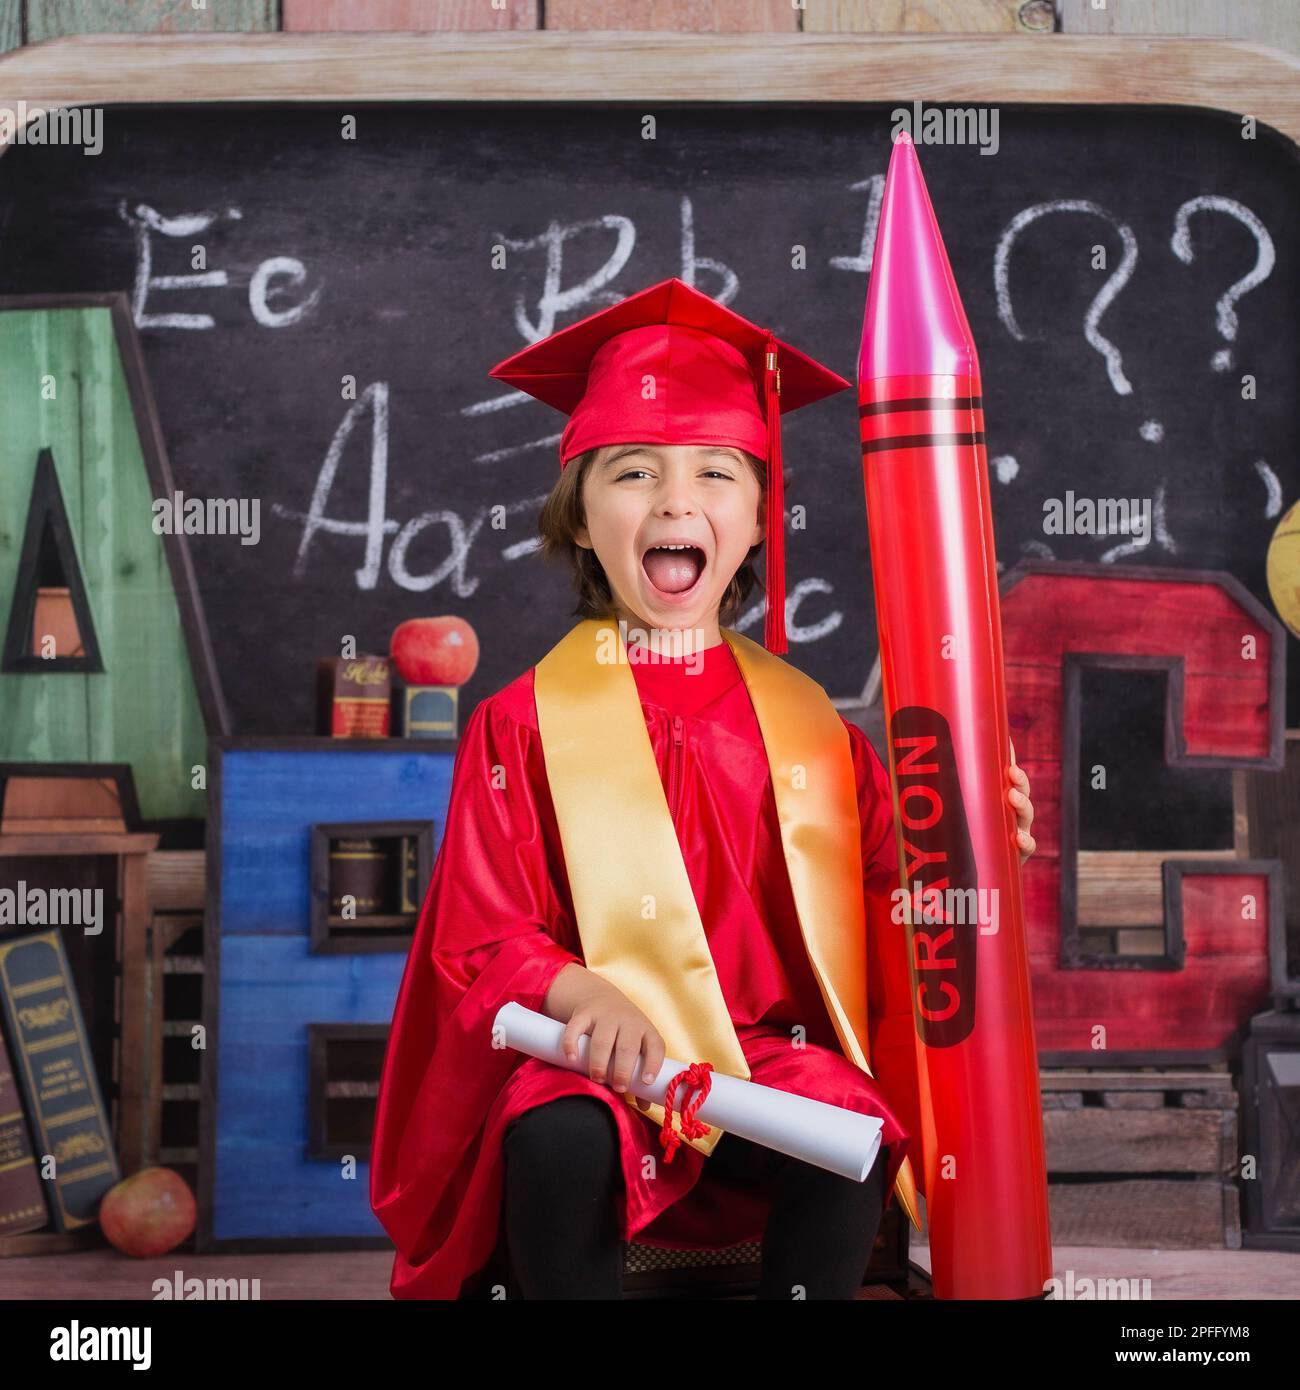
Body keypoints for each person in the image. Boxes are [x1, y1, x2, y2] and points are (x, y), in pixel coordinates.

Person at [369, 277, 1037, 1300]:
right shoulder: (523, 718)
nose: (678, 500)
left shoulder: (810, 723)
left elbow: (885, 908)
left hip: (765, 1055)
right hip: (590, 1057)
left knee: (845, 1114)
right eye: (634, 472)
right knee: (554, 1129)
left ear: (759, 520)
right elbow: (481, 932)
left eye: (716, 473)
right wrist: (579, 989)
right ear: (583, 520)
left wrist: (969, 849)